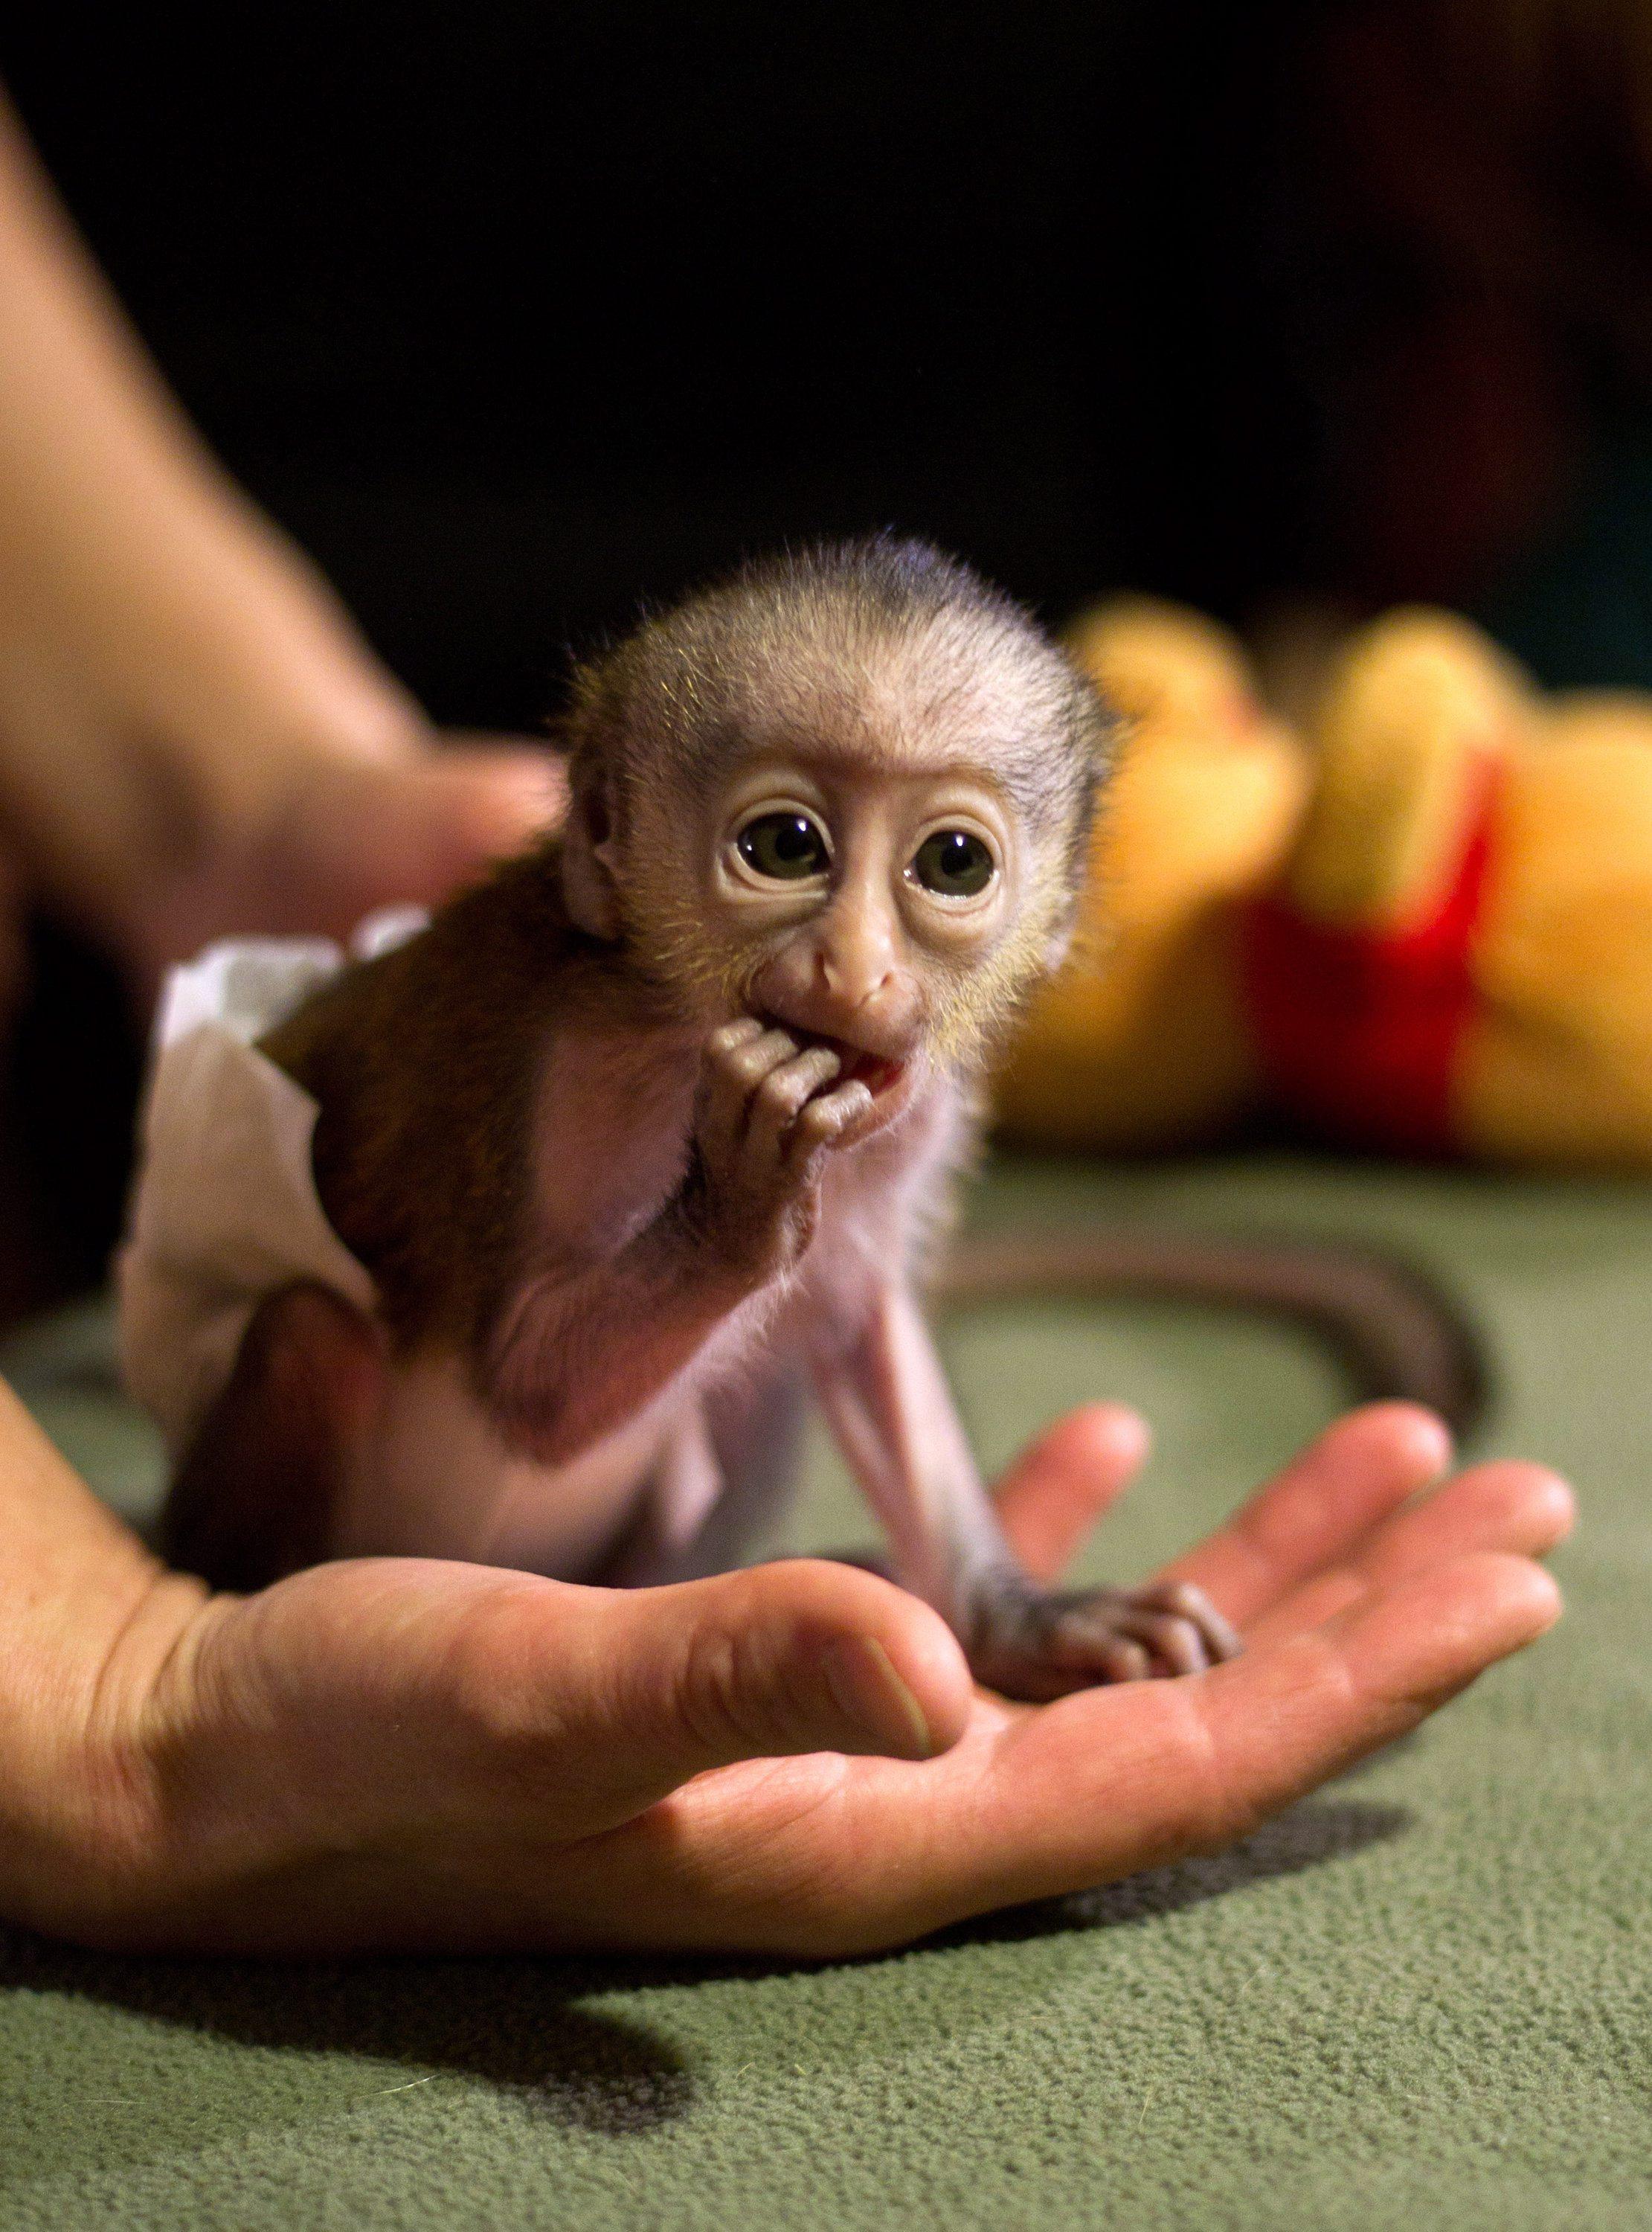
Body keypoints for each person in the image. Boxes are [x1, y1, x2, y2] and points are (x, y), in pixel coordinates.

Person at [0, 95, 1571, 1957]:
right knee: (403, 1337)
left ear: (1064, 896)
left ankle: (742, 1606)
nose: (853, 964)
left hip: (597, 1484)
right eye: (779, 847)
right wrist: (716, 1235)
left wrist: (982, 1591)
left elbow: (851, 1301)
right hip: (373, 1485)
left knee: (796, 1279)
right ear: (599, 842)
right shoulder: (572, 1042)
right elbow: (533, 1389)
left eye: (956, 868)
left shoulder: (892, 1042)